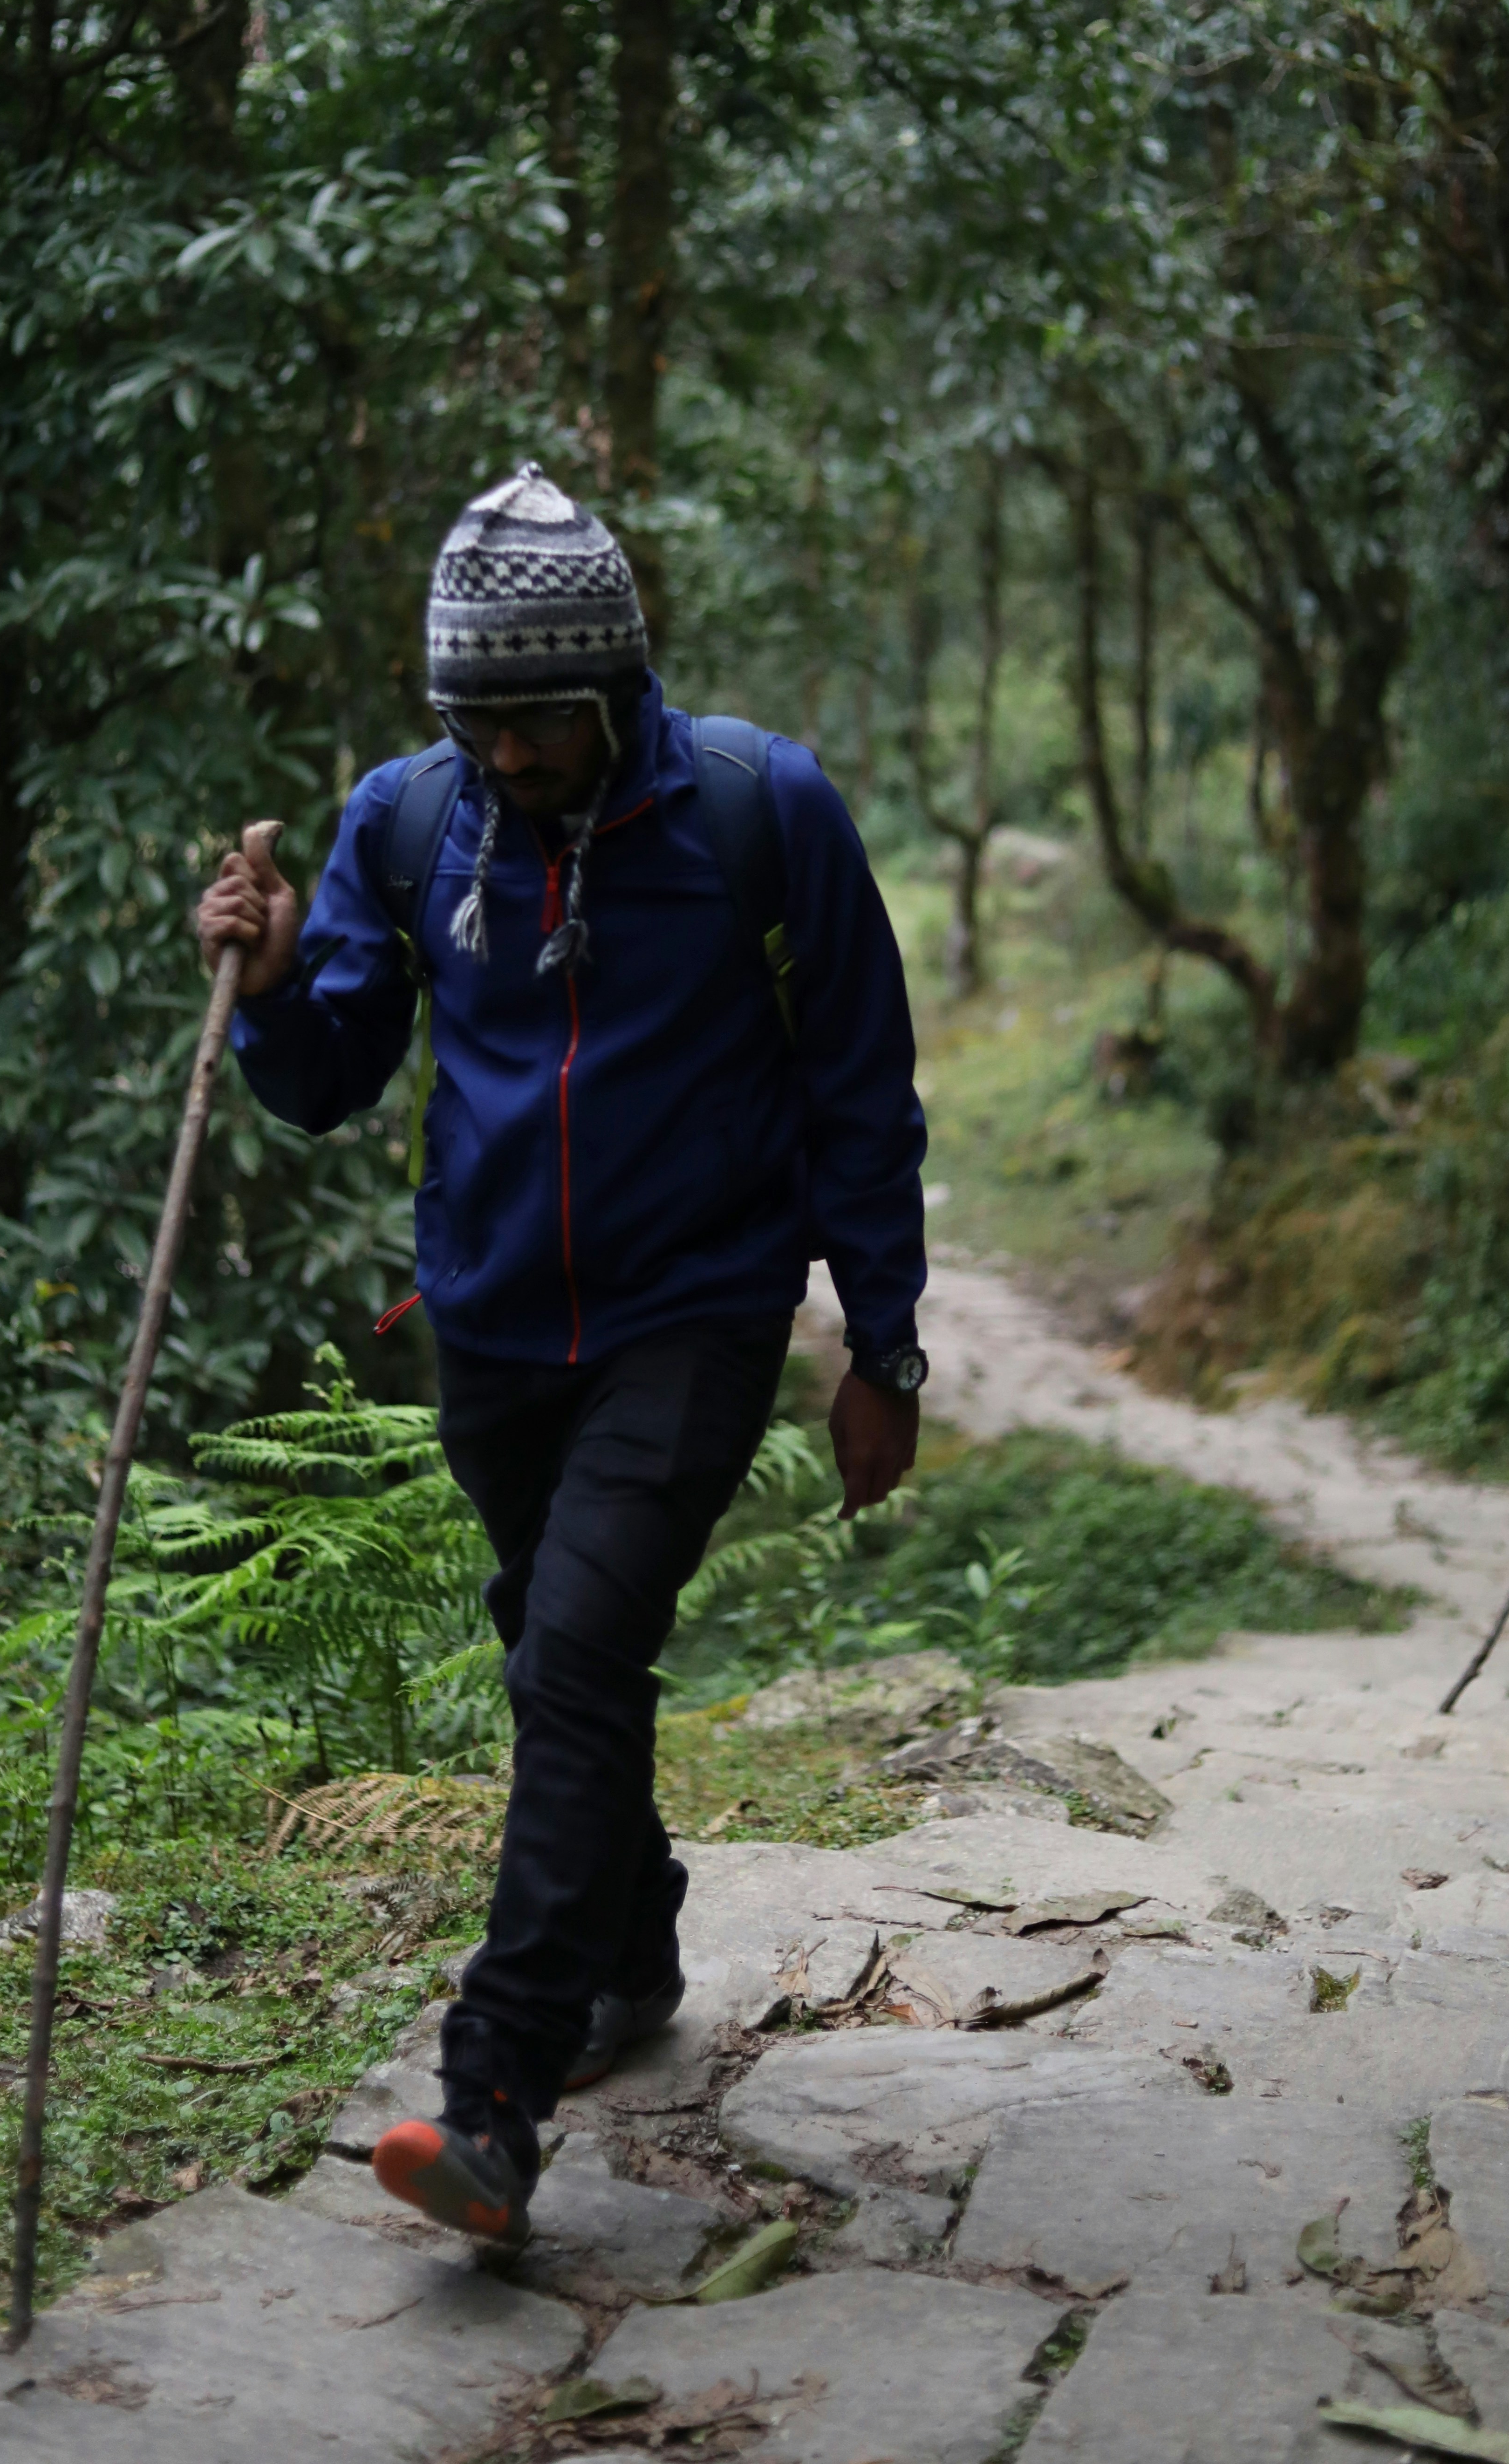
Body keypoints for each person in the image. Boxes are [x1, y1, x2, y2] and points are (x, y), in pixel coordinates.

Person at [196, 462, 928, 2246]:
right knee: (555, 1645)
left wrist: (882, 1347)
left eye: (536, 717)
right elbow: (322, 1080)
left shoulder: (764, 812)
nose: (508, 754)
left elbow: (859, 1090)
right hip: (496, 1324)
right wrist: (280, 975)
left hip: (696, 1311)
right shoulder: (407, 818)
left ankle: (496, 2097)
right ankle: (637, 1934)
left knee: (576, 1651)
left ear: (617, 686)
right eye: (478, 720)